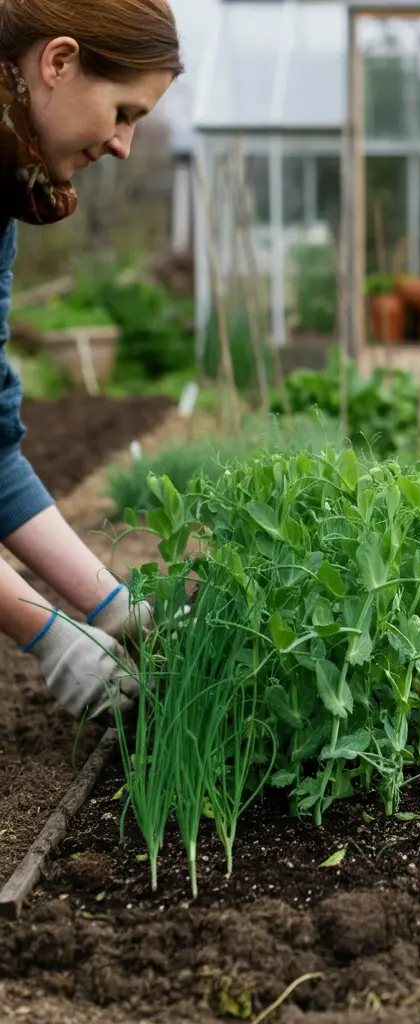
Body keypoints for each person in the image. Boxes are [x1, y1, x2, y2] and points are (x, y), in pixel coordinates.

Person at [0, 0, 182, 720]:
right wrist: (43, 631)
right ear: (60, 62)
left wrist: (116, 610)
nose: (124, 145)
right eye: (124, 111)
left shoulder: (11, 182)